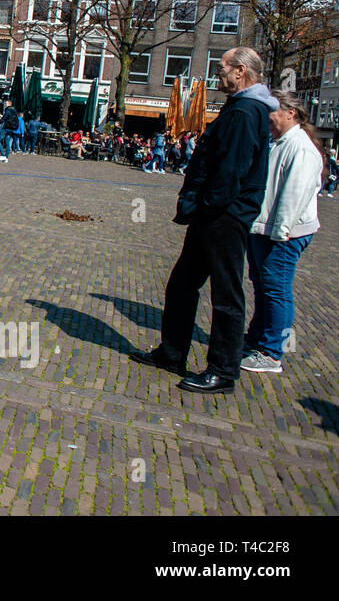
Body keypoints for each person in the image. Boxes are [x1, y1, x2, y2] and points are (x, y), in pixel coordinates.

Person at [133, 47, 275, 394]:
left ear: (241, 71)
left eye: (222, 67)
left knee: (226, 293)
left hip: (223, 217)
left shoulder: (244, 112)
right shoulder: (240, 108)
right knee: (182, 284)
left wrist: (205, 205)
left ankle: (223, 369)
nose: (218, 73)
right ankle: (172, 352)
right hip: (214, 214)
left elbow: (231, 170)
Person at [242, 91, 324, 374]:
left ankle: (271, 351)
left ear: (290, 113)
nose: (267, 120)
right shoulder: (279, 142)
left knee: (276, 289)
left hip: (283, 232)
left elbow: (294, 194)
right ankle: (257, 340)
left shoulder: (300, 147)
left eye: (272, 114)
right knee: (264, 286)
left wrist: (281, 230)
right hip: (267, 228)